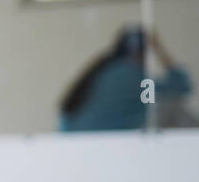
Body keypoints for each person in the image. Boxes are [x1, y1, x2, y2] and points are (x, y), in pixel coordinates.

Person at [59, 25, 195, 131]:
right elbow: (182, 87)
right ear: (140, 52)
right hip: (102, 139)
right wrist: (159, 48)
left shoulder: (103, 70)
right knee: (172, 107)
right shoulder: (132, 74)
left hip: (75, 139)